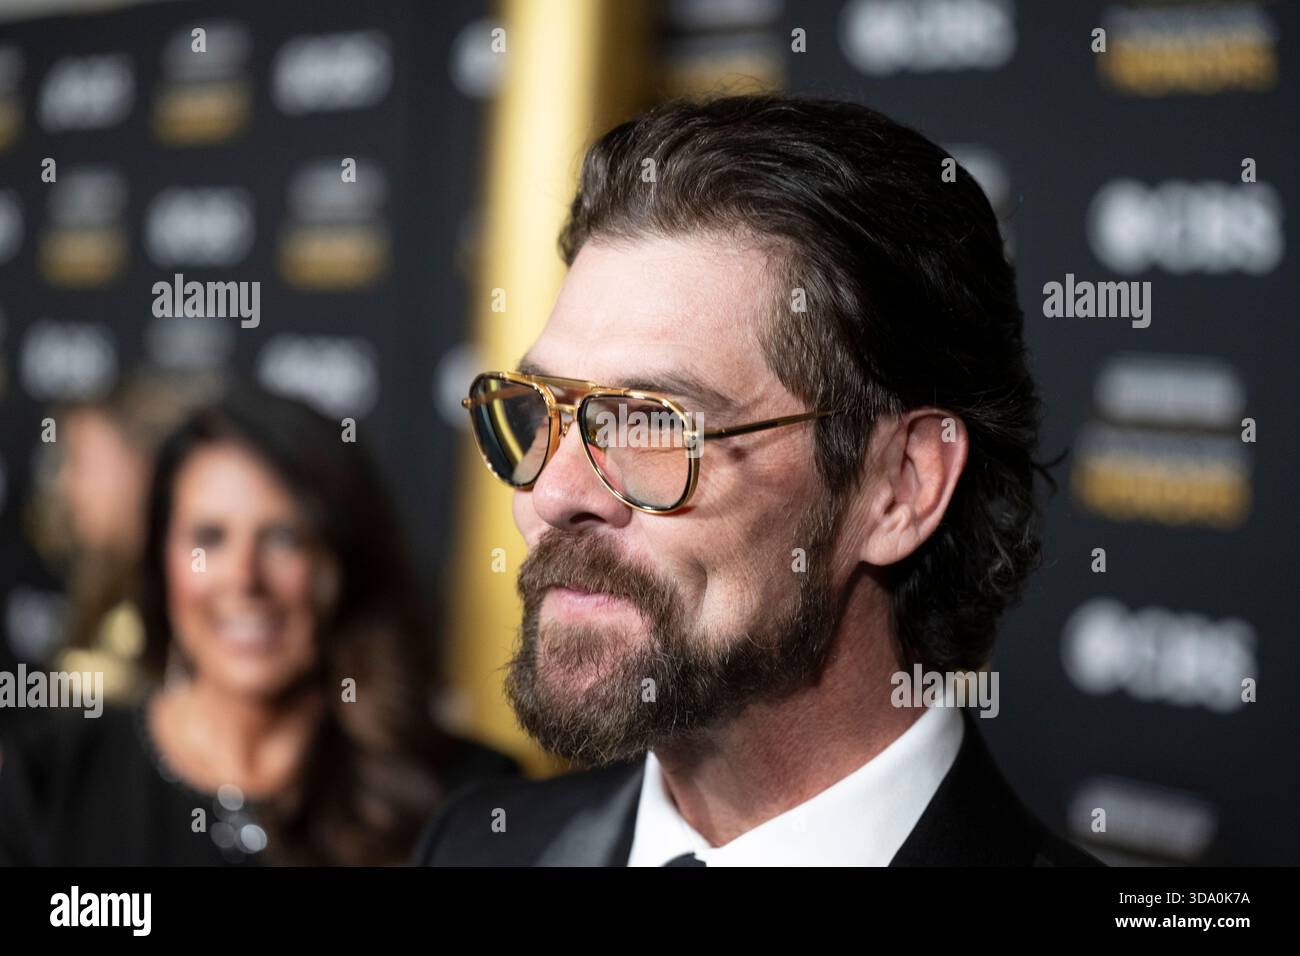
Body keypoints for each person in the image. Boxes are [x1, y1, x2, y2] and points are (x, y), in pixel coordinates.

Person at [417, 94, 1101, 866]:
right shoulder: (474, 845)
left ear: (902, 486)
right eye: (543, 412)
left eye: (653, 423)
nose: (554, 495)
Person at [0, 387, 518, 865]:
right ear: (161, 562)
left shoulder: (470, 799)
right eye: (209, 537)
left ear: (342, 562)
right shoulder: (49, 782)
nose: (243, 579)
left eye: (284, 538)